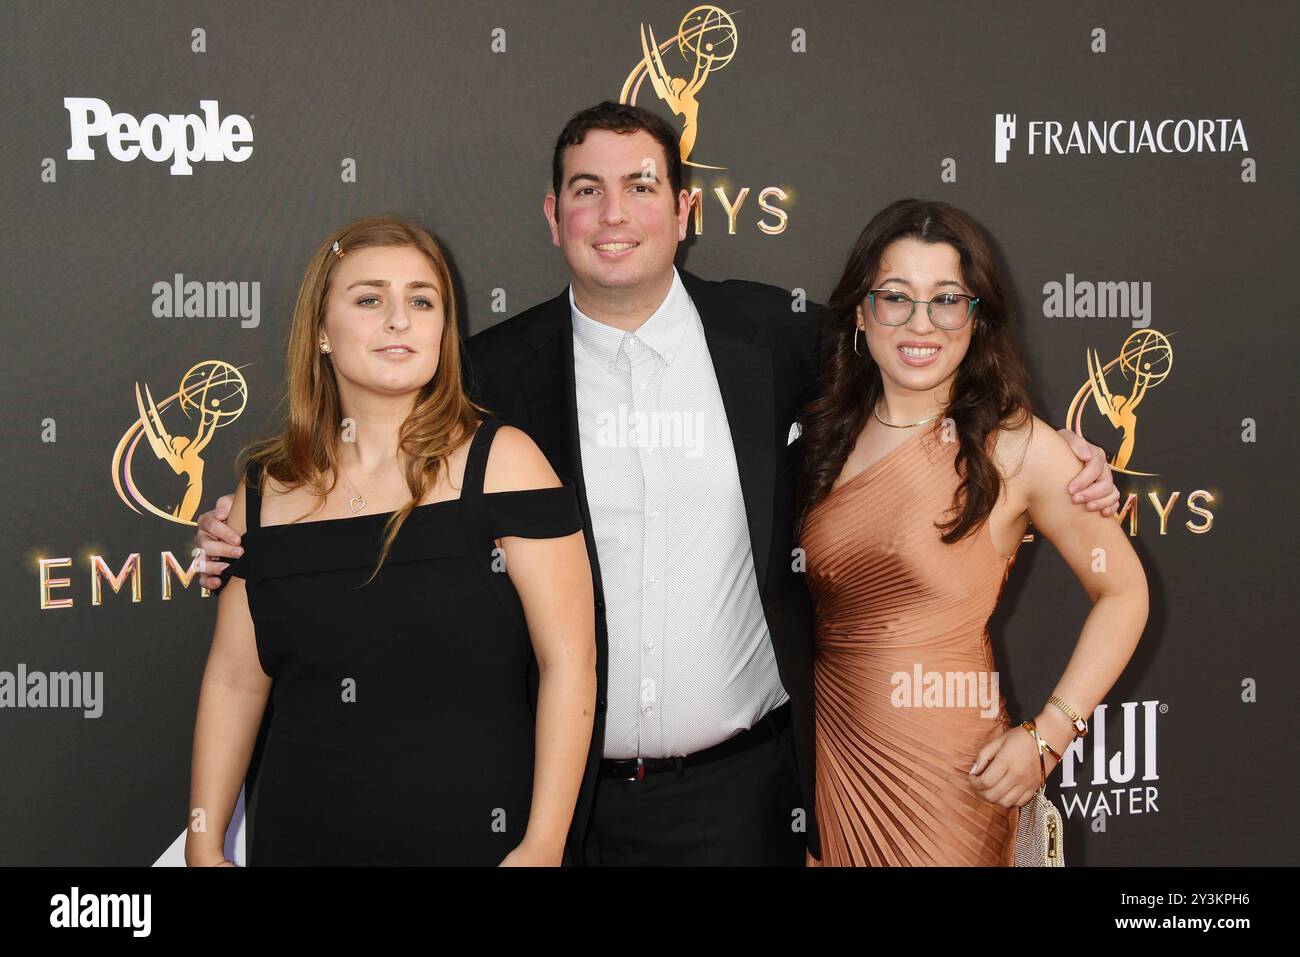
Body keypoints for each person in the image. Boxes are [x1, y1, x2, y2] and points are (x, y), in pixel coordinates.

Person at [193, 103, 1120, 866]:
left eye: (642, 186)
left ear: (684, 211)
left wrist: (1067, 465)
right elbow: (366, 469)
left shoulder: (781, 341)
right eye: (586, 191)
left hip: (755, 798)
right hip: (553, 804)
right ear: (553, 218)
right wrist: (253, 524)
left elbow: (922, 376)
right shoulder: (483, 373)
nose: (614, 212)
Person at [184, 216, 595, 867]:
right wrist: (204, 842)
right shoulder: (261, 489)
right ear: (320, 330)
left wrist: (543, 843)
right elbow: (236, 680)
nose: (399, 319)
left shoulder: (507, 464)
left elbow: (569, 663)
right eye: (370, 298)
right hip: (302, 839)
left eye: (422, 300)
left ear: (442, 329)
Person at [796, 199, 1148, 866]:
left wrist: (1049, 735)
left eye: (947, 299)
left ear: (976, 316)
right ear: (861, 312)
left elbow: (1125, 591)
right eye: (895, 297)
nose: (920, 323)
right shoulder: (820, 431)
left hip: (952, 776)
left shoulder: (1014, 445)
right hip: (828, 762)